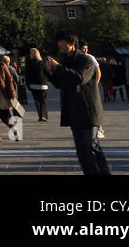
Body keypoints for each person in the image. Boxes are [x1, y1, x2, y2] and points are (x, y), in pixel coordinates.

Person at [44, 31, 111, 175]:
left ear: (72, 44)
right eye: (59, 42)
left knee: (91, 146)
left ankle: (103, 173)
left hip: (87, 109)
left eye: (62, 42)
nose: (59, 45)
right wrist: (49, 72)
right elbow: (59, 83)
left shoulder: (86, 60)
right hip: (73, 109)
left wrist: (57, 67)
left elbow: (79, 78)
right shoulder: (64, 61)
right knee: (81, 149)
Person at [25, 49, 50, 122]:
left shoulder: (29, 63)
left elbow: (27, 75)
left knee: (37, 101)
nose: (30, 55)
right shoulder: (42, 62)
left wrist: (28, 84)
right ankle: (44, 116)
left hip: (33, 84)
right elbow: (46, 73)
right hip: (42, 83)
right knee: (43, 100)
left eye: (31, 53)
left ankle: (41, 116)